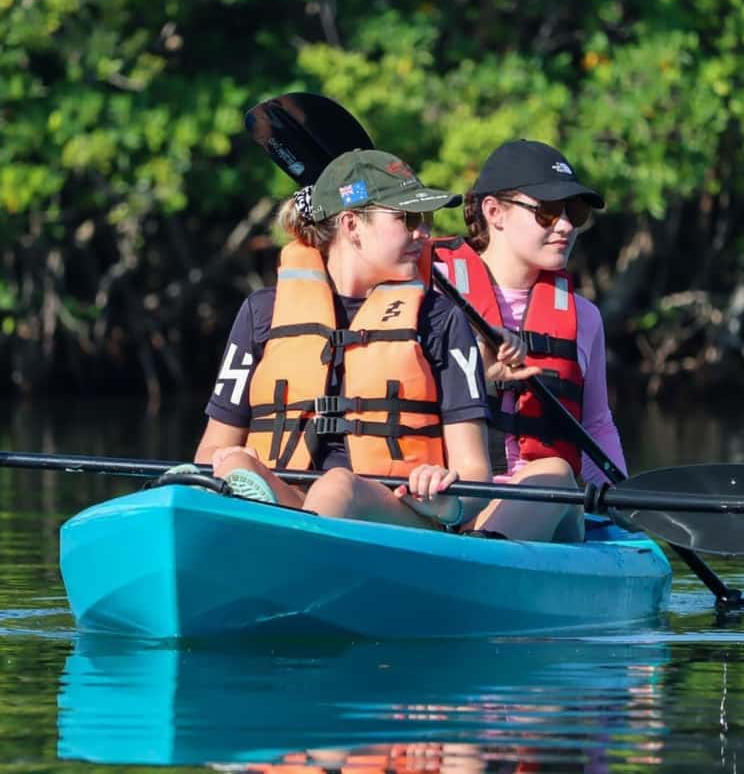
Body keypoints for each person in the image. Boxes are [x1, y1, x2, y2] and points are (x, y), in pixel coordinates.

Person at [194, 148, 532, 532]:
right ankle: (270, 536)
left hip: (397, 519)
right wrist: (224, 461)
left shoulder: (440, 319)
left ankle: (277, 550)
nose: (424, 232)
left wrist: (443, 500)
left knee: (339, 487)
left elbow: (474, 473)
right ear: (352, 225)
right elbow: (210, 449)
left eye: (426, 219)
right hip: (290, 505)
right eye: (409, 218)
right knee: (234, 465)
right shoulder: (261, 312)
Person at [434, 139, 628, 542]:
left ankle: (485, 561)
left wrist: (623, 505)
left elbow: (595, 424)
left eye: (575, 213)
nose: (565, 226)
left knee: (555, 472)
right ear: (494, 212)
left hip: (550, 508)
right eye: (547, 211)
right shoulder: (433, 295)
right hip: (448, 499)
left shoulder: (584, 319)